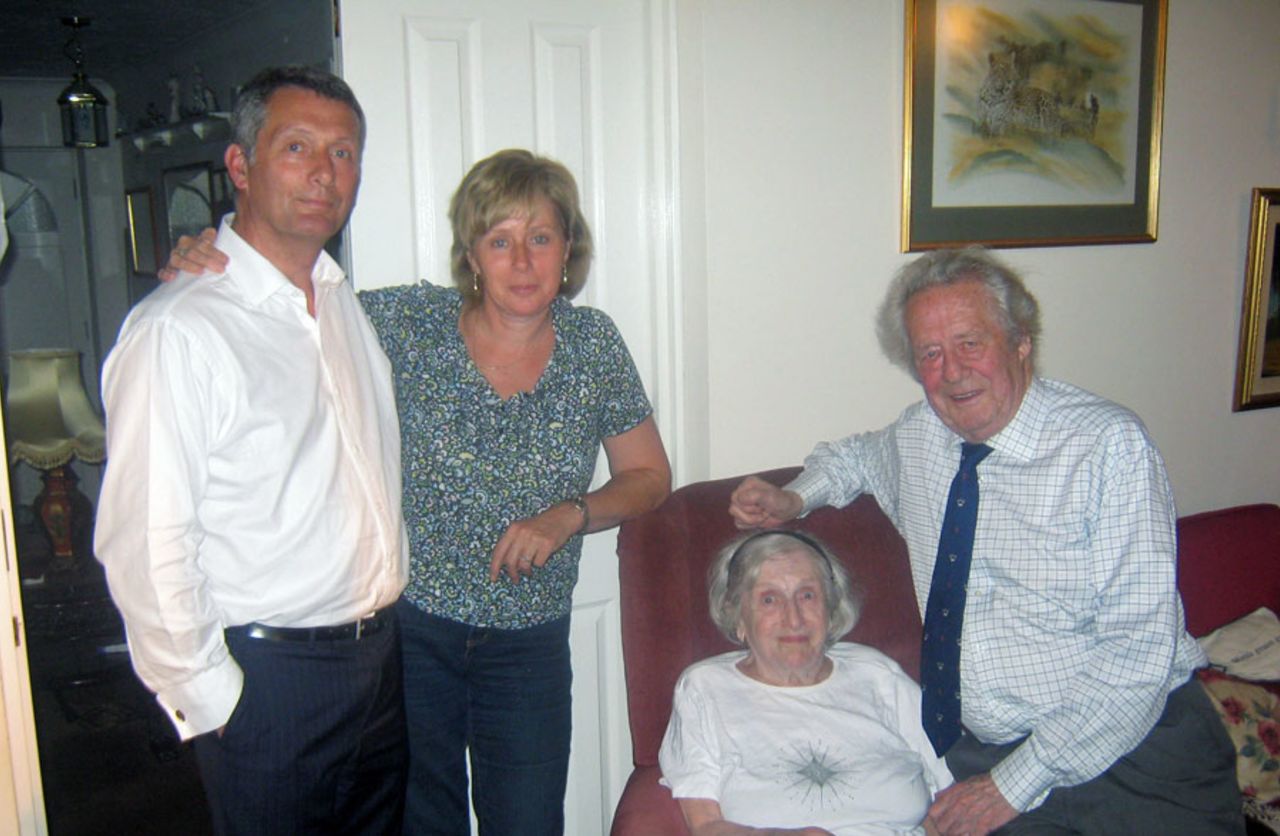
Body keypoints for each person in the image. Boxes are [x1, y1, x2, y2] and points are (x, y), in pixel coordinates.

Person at [164, 148, 672, 834]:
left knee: (526, 822)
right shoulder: (405, 324)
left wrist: (569, 516)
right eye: (500, 241)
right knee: (421, 822)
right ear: (471, 253)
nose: (522, 262)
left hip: (528, 643)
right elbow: (289, 298)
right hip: (413, 634)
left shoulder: (593, 345)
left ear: (568, 248)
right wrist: (212, 252)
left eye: (541, 238)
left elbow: (649, 477)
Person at [728, 248, 1242, 835]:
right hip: (985, 753)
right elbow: (854, 458)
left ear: (1021, 341)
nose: (952, 371)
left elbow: (1137, 650)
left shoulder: (1107, 447)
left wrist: (1015, 784)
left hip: (1136, 753)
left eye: (971, 343)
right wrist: (795, 498)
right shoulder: (921, 437)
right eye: (930, 353)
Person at [95, 66, 409, 834]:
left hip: (378, 669)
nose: (325, 173)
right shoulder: (181, 329)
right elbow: (145, 540)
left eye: (344, 153)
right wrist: (213, 702)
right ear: (240, 165)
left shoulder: (343, 306)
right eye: (297, 146)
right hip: (270, 680)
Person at [659, 529, 952, 836]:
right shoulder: (705, 688)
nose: (794, 618)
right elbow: (706, 825)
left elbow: (951, 789)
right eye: (769, 599)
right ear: (737, 616)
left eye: (807, 595)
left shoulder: (877, 674)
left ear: (831, 607)